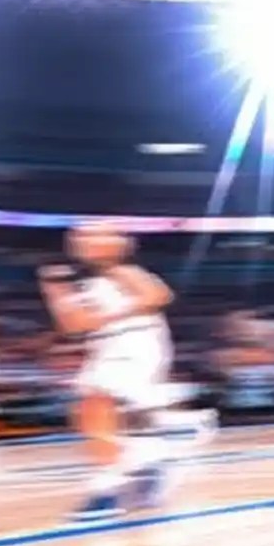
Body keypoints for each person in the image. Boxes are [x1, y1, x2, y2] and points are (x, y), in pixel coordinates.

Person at [39, 222, 177, 522]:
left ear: (121, 242)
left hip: (136, 342)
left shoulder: (123, 271)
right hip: (106, 347)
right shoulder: (90, 284)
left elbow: (159, 296)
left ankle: (107, 489)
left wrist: (104, 317)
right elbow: (73, 326)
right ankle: (148, 466)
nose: (83, 240)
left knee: (96, 404)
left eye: (93, 235)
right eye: (79, 236)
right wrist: (56, 293)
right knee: (109, 417)